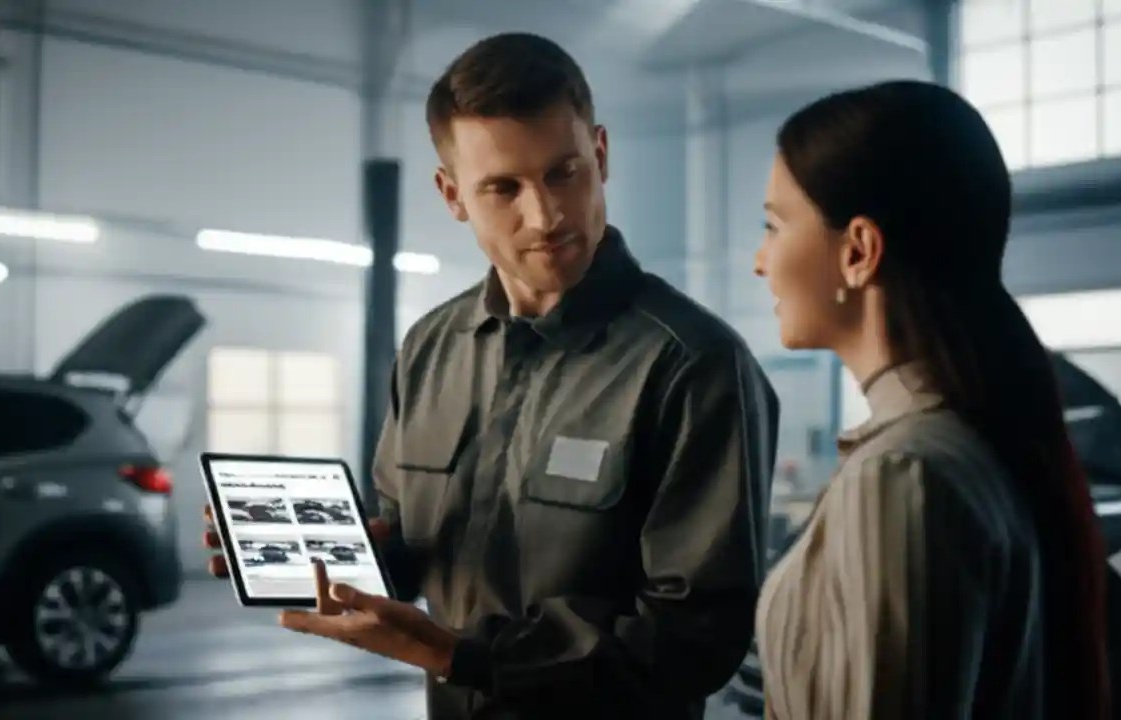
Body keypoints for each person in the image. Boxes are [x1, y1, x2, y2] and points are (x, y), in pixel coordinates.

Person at [204, 32, 780, 719]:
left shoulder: (694, 365)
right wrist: (323, 559)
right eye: (503, 187)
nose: (546, 215)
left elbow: (697, 639)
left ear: (600, 154)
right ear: (453, 195)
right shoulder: (430, 349)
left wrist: (467, 659)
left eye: (564, 172)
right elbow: (414, 550)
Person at [751, 80, 1110, 719]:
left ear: (858, 251)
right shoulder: (958, 447)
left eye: (774, 226)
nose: (760, 261)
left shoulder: (903, 476)